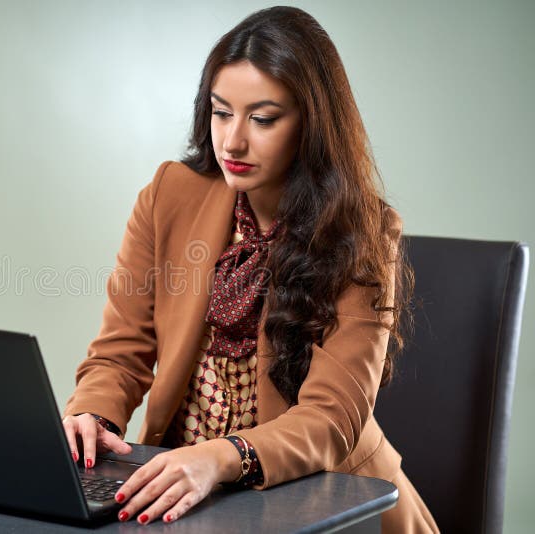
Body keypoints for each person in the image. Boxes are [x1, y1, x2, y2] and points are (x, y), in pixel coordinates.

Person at [62, 6, 438, 532]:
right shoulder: (170, 193)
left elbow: (331, 420)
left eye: (262, 119)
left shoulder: (364, 231)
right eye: (220, 112)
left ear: (312, 123)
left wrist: (219, 457)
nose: (232, 142)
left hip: (325, 500)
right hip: (185, 490)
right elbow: (120, 350)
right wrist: (92, 415)